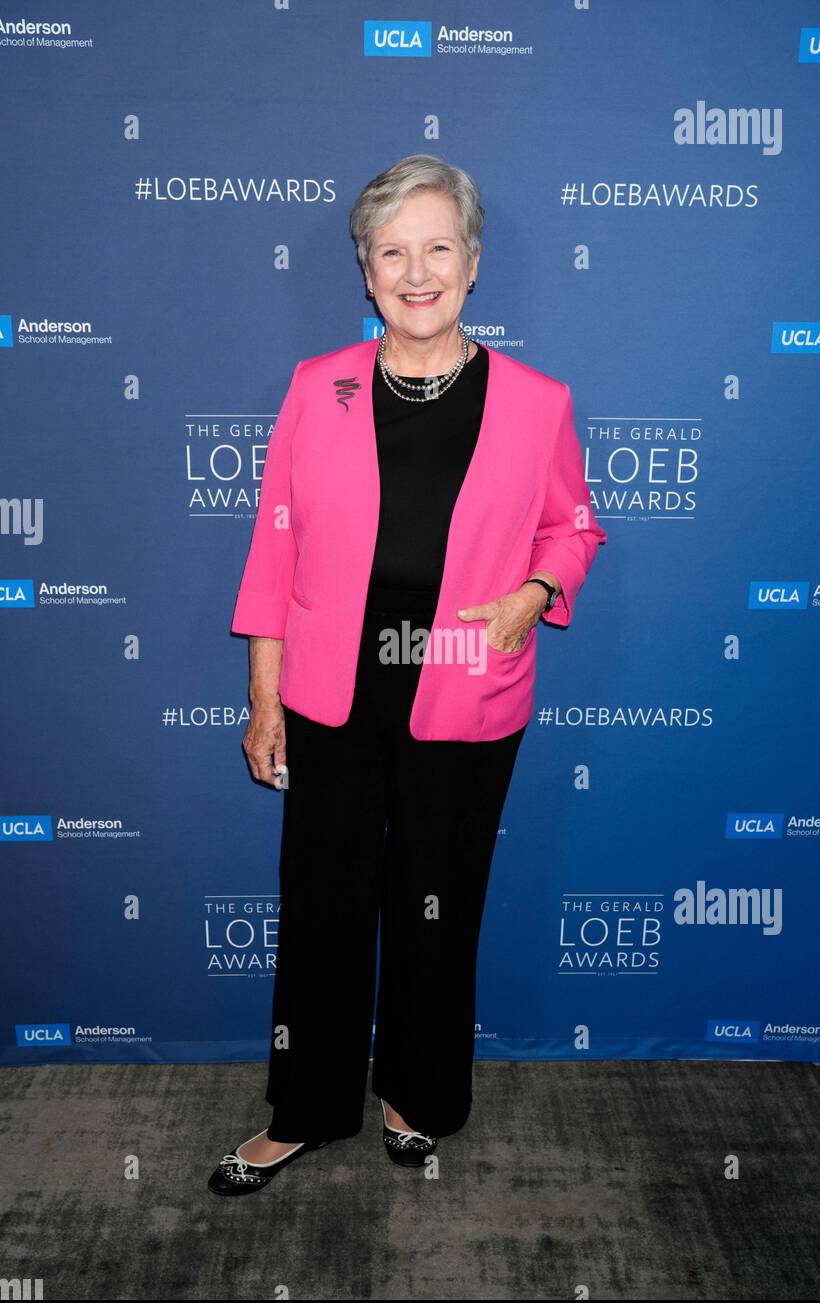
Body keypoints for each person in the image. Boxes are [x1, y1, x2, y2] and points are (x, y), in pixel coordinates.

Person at [208, 154, 607, 1196]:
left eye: (437, 247)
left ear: (471, 266)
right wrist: (263, 695)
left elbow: (572, 525)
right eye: (393, 251)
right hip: (333, 691)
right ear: (367, 271)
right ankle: (306, 1109)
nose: (415, 270)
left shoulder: (534, 401)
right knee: (323, 902)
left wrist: (531, 596)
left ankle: (418, 1096)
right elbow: (274, 549)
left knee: (438, 901)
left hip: (464, 686)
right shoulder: (315, 386)